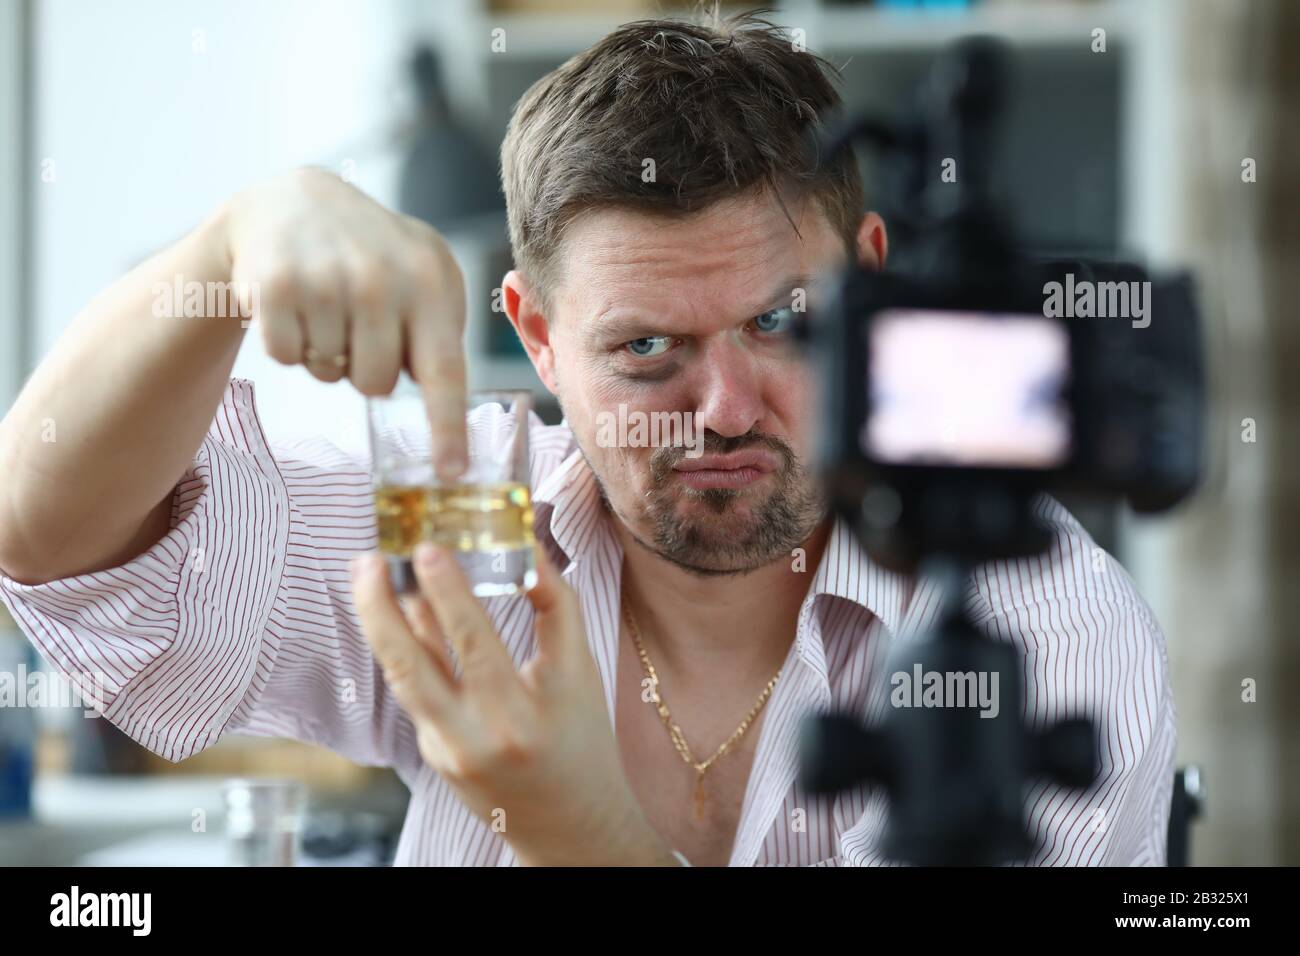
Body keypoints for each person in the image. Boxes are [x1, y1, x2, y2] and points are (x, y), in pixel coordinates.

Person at [0, 11, 1173, 866]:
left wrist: (580, 834)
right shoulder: (473, 517)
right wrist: (225, 249)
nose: (722, 406)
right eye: (645, 350)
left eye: (781, 322)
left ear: (869, 284)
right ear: (539, 339)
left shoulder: (1030, 617)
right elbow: (48, 541)